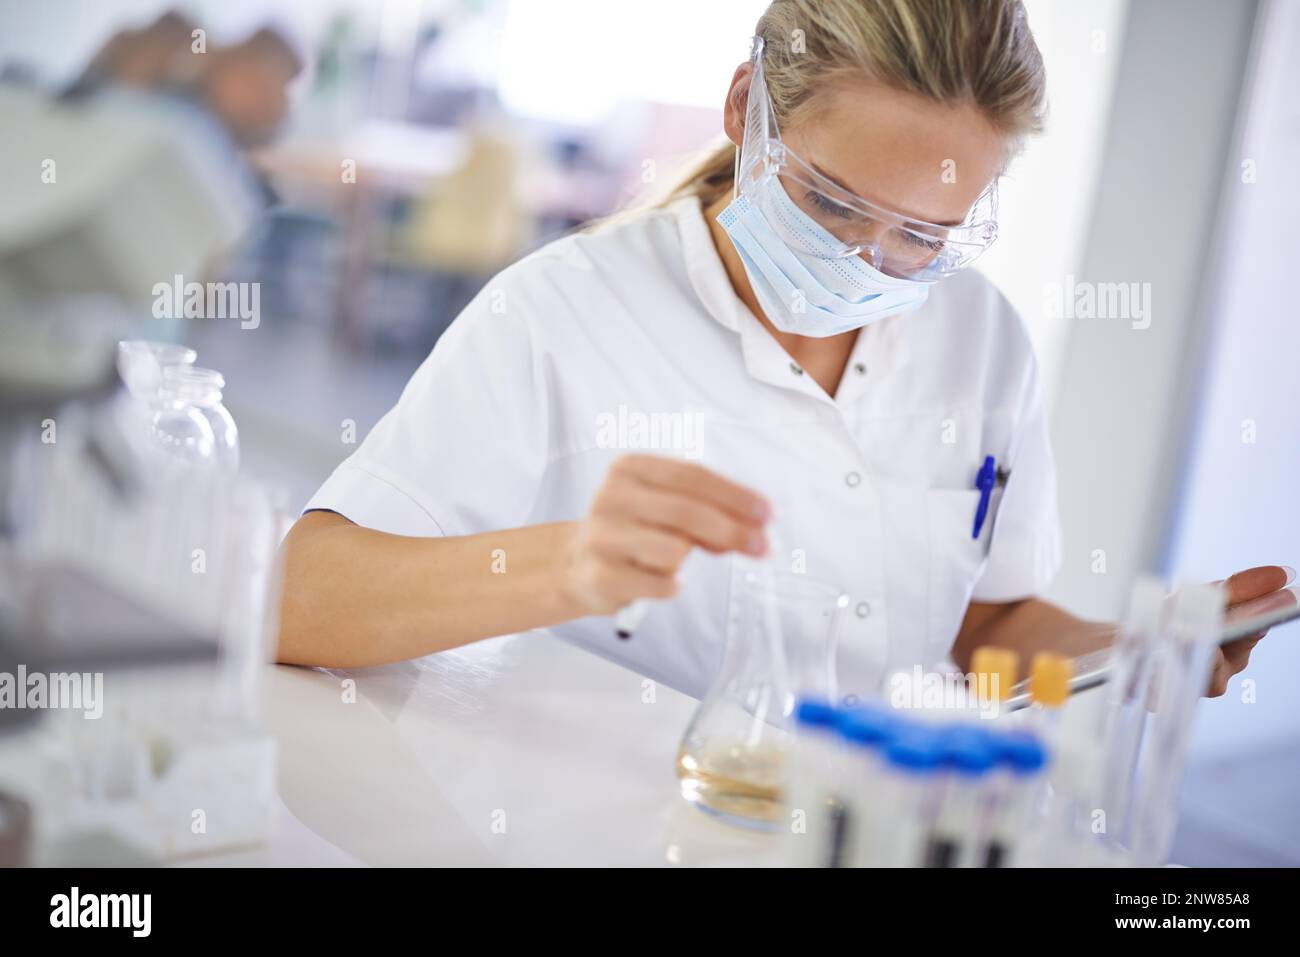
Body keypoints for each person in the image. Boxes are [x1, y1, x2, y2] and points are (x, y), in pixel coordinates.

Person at [276, 0, 1287, 699]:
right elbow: (299, 603)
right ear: (742, 108)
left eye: (923, 234)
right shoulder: (562, 311)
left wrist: (1142, 650)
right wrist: (564, 566)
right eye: (831, 202)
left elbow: (986, 633)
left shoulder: (982, 342)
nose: (870, 261)